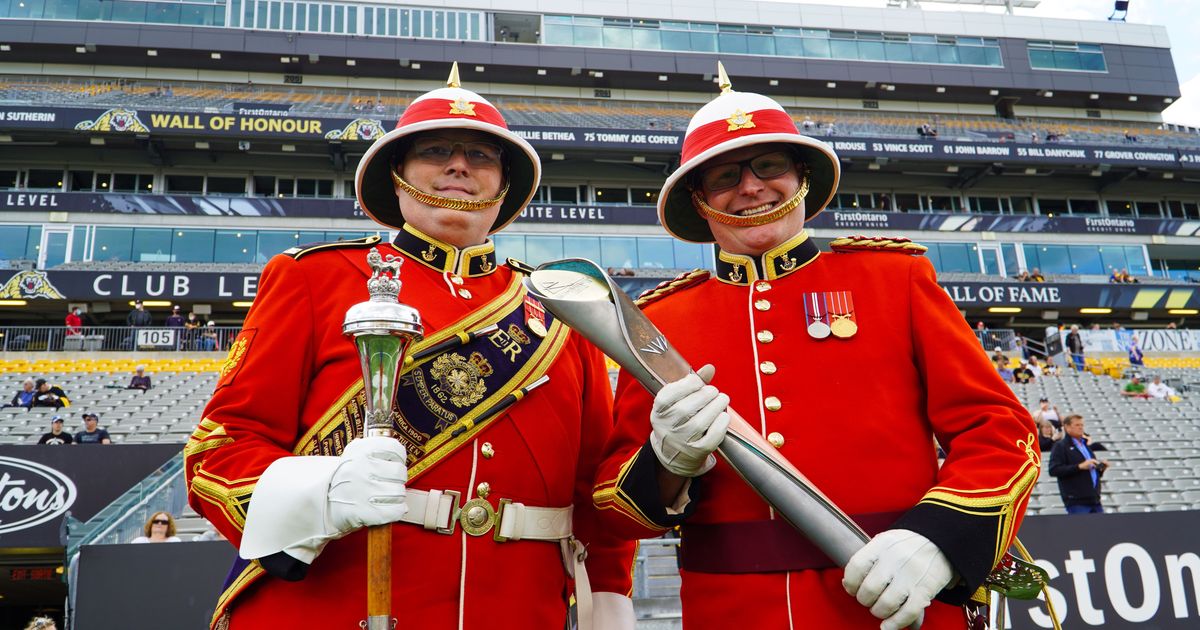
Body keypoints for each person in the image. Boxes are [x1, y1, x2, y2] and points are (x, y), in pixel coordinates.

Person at [184, 64, 635, 630]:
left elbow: (592, 491)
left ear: (504, 186)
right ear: (397, 174)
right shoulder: (313, 278)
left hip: (521, 607)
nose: (459, 165)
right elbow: (219, 454)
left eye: (482, 156)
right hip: (335, 607)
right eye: (436, 150)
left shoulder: (561, 310)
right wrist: (321, 491)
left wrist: (610, 603)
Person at [591, 66, 1038, 630]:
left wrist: (938, 540)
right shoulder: (659, 319)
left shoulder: (895, 278)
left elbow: (1000, 432)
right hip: (731, 611)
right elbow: (612, 504)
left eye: (769, 165)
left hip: (896, 600)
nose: (750, 187)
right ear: (699, 202)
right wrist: (667, 463)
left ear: (801, 175)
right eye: (724, 176)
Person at [1048, 415, 1108, 514]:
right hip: (1076, 500)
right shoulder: (1060, 446)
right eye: (1077, 425)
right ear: (1067, 427)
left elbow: (1089, 471)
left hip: (1094, 499)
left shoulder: (1085, 446)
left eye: (1082, 425)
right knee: (1081, 529)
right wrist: (1079, 466)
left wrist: (1101, 469)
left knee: (1100, 528)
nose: (1080, 427)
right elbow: (1054, 470)